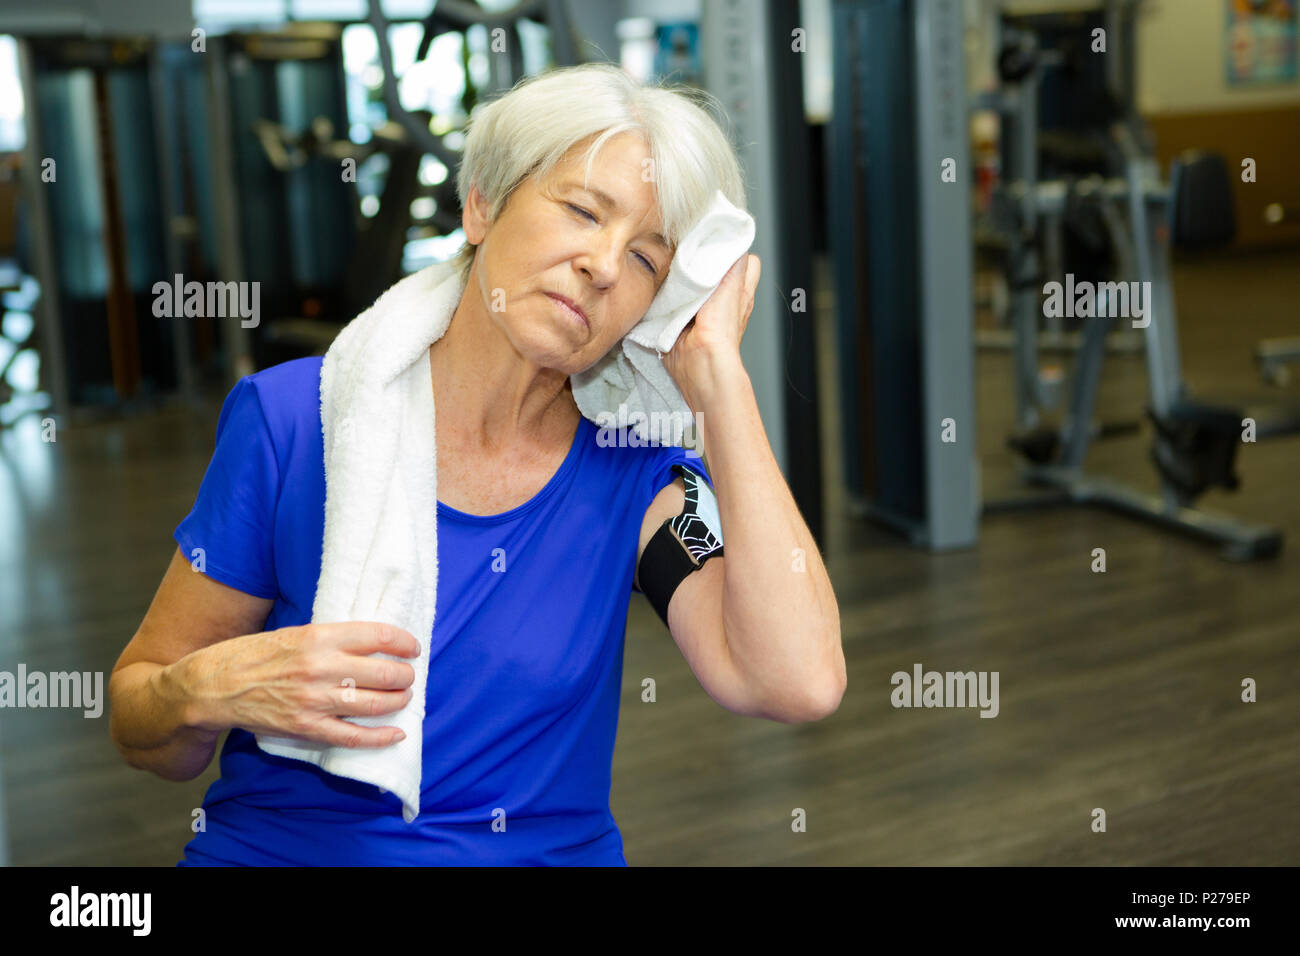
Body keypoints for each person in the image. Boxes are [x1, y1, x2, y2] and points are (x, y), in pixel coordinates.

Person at [108, 62, 844, 866]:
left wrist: (718, 380)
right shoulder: (293, 421)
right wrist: (209, 688)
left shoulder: (642, 476)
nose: (602, 263)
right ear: (482, 204)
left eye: (646, 259)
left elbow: (795, 682)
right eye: (581, 210)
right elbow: (142, 726)